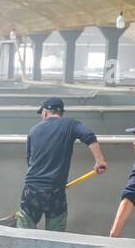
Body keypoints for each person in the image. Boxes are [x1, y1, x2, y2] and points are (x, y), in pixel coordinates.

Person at [15, 97, 106, 232]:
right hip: (55, 191)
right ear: (61, 113)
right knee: (56, 236)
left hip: (31, 190)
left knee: (24, 233)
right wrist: (100, 161)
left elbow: (29, 161)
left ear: (45, 112)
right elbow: (89, 136)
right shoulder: (71, 125)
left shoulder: (33, 131)